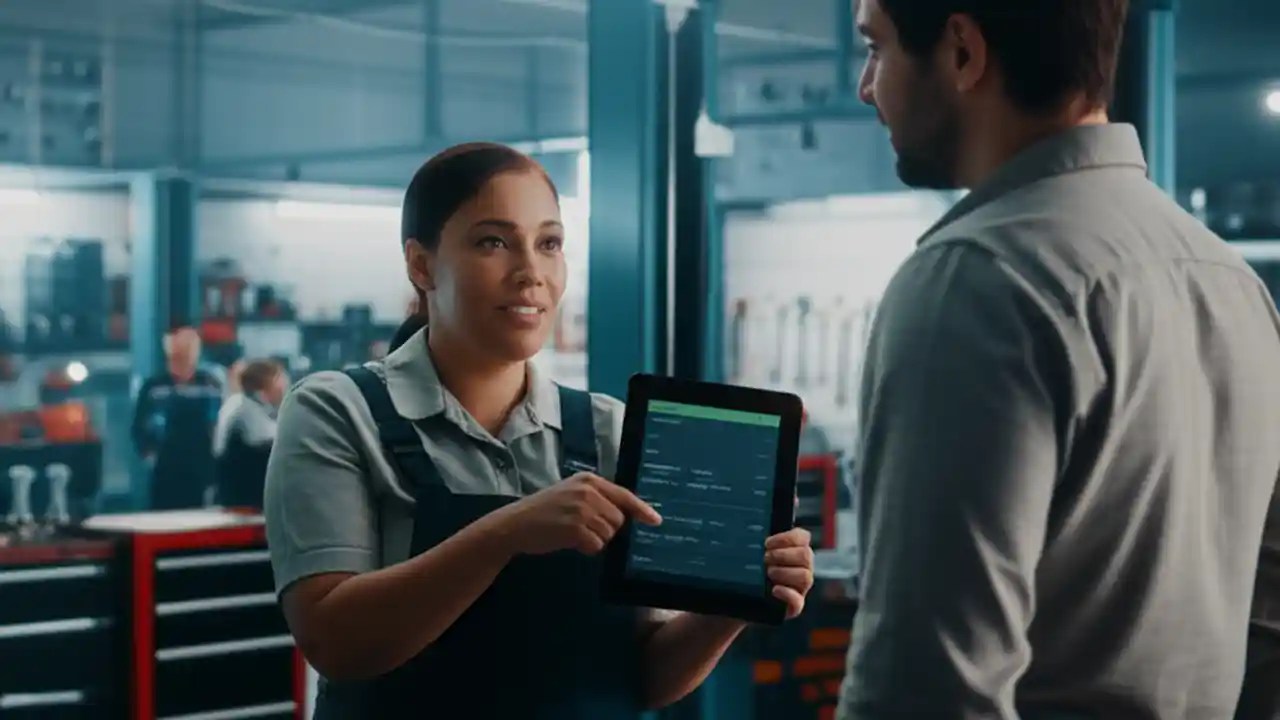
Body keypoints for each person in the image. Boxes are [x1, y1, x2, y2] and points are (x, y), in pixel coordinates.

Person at [263, 142, 817, 718]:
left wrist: (733, 602)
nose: (531, 273)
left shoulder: (611, 430)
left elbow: (642, 676)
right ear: (421, 264)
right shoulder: (337, 412)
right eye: (493, 242)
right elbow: (335, 641)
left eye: (549, 243)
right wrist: (506, 533)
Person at [838, 1, 1280, 719]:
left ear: (961, 52)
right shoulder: (1230, 282)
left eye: (876, 47)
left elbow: (925, 689)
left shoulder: (977, 279)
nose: (865, 86)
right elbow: (1267, 628)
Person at [131, 326, 223, 510]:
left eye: (188, 352)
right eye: (178, 353)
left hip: (201, 468)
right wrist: (150, 455)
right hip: (165, 469)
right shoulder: (152, 387)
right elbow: (138, 426)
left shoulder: (211, 385)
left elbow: (219, 424)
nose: (182, 358)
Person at [215, 359, 287, 510]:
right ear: (266, 385)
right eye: (280, 380)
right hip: (241, 501)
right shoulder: (242, 407)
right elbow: (270, 439)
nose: (285, 387)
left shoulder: (249, 406)